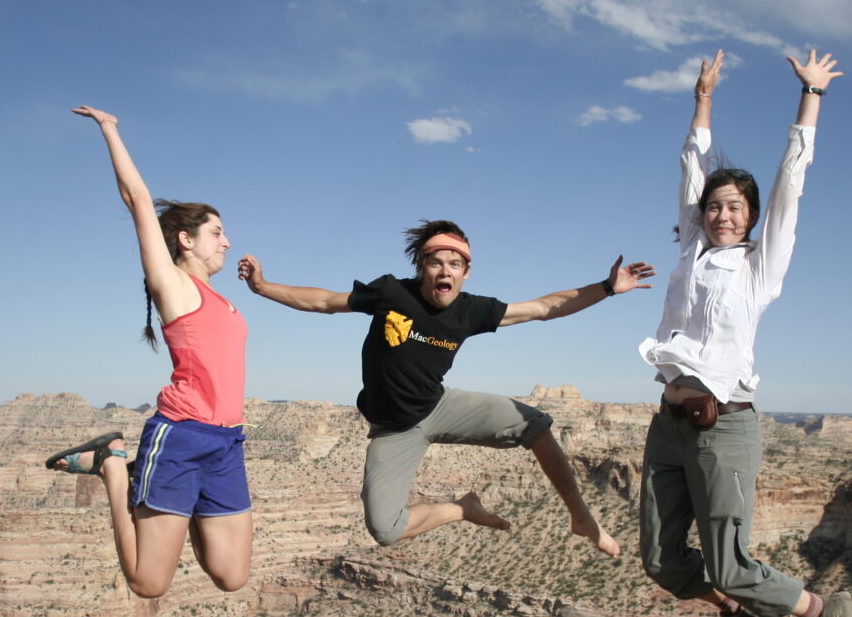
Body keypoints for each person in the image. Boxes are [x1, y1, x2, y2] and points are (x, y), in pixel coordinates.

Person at [637, 49, 852, 617]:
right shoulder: (689, 246)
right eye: (715, 206)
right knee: (659, 560)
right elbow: (692, 166)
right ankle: (746, 612)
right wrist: (702, 99)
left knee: (729, 561)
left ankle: (828, 613)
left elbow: (792, 183)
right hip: (669, 423)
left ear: (752, 218)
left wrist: (810, 100)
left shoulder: (760, 267)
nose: (722, 214)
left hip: (724, 427)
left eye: (736, 207)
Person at [238, 226, 654, 555]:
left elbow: (544, 308)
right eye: (436, 263)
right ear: (422, 267)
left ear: (466, 272)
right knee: (385, 529)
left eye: (454, 264)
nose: (445, 271)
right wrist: (264, 287)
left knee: (537, 425)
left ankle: (581, 518)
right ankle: (462, 509)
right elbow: (325, 301)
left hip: (440, 406)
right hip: (395, 428)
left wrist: (606, 288)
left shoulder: (471, 309)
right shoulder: (391, 293)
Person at [45, 106, 253, 599]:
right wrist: (110, 130)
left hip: (227, 445)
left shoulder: (222, 299)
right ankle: (114, 467)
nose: (227, 241)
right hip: (180, 438)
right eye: (217, 233)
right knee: (148, 582)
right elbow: (138, 199)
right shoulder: (175, 286)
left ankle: (175, 503)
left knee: (232, 576)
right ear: (186, 240)